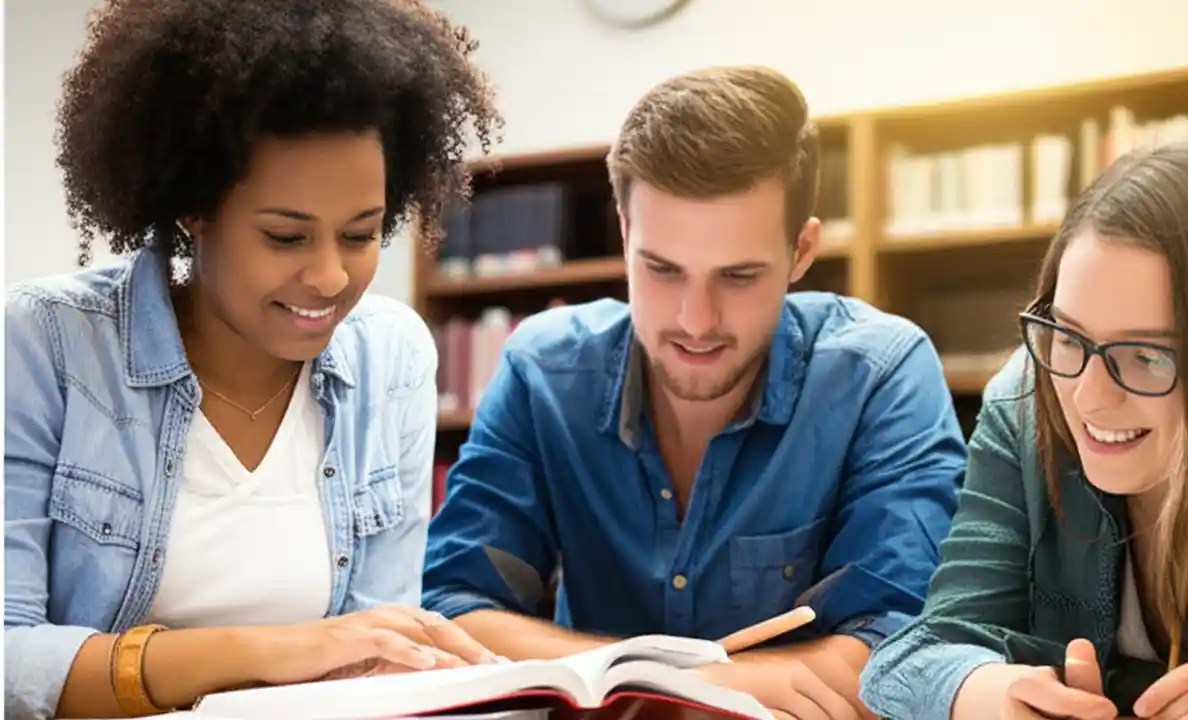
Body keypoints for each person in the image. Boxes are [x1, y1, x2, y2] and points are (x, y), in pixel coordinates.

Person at [4, 1, 506, 718]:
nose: (331, 278)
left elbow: (381, 651)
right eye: (285, 237)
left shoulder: (390, 359)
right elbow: (8, 657)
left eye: (361, 235)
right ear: (193, 209)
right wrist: (268, 651)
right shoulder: (47, 343)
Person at [421, 65, 967, 720]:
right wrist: (690, 682)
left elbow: (903, 647)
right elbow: (453, 612)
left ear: (801, 250)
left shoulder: (880, 374)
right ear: (625, 236)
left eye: (738, 276)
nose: (695, 320)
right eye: (661, 270)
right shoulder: (542, 373)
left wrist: (606, 678)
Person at [859, 137, 1188, 720]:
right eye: (1070, 335)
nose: (1089, 397)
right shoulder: (1027, 400)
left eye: (1149, 356)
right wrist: (991, 695)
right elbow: (911, 660)